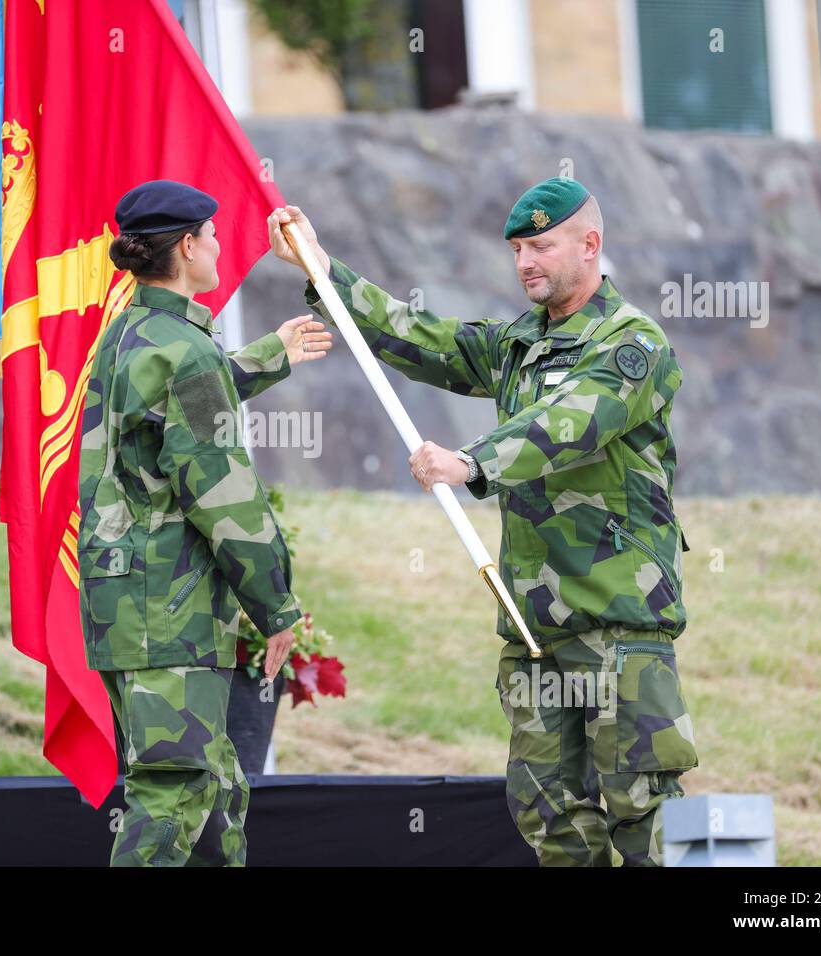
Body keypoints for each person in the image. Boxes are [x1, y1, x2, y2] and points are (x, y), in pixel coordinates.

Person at [267, 177, 699, 866]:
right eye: (519, 248)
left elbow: (573, 423)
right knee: (547, 813)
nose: (527, 261)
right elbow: (418, 337)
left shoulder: (631, 345)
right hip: (536, 628)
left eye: (542, 245)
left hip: (617, 621)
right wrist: (322, 267)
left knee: (641, 814)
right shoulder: (517, 344)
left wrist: (471, 462)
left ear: (590, 246)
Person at [78, 179, 333, 866]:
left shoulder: (133, 333)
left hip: (129, 605)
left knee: (214, 800)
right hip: (169, 612)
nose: (221, 245)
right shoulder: (182, 350)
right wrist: (276, 604)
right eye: (213, 236)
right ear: (188, 247)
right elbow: (222, 495)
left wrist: (268, 354)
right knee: (172, 797)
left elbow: (184, 395)